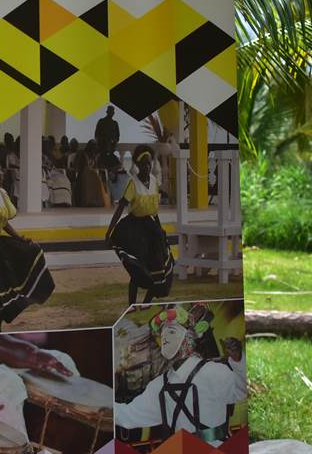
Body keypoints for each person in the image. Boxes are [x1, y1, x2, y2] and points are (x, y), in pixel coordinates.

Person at [115, 304, 247, 446]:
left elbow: (241, 390)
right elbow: (128, 416)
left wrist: (238, 361)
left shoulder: (214, 372)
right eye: (162, 334)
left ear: (188, 337)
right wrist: (98, 403)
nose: (165, 339)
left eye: (171, 332)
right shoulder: (158, 385)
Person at [0, 158, 54, 334]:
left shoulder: (2, 194)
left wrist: (20, 238)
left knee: (7, 289)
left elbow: (4, 223)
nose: (3, 173)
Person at [0, 333, 75, 441]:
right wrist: (3, 355)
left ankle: (48, 441)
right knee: (6, 384)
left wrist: (29, 351)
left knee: (63, 360)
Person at [105, 145, 173, 305]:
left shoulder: (155, 182)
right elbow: (121, 207)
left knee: (157, 266)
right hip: (134, 228)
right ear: (137, 165)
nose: (147, 166)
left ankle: (147, 303)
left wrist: (160, 230)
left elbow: (154, 212)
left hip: (151, 226)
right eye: (144, 164)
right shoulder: (132, 183)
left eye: (149, 163)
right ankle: (132, 305)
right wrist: (109, 232)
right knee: (138, 269)